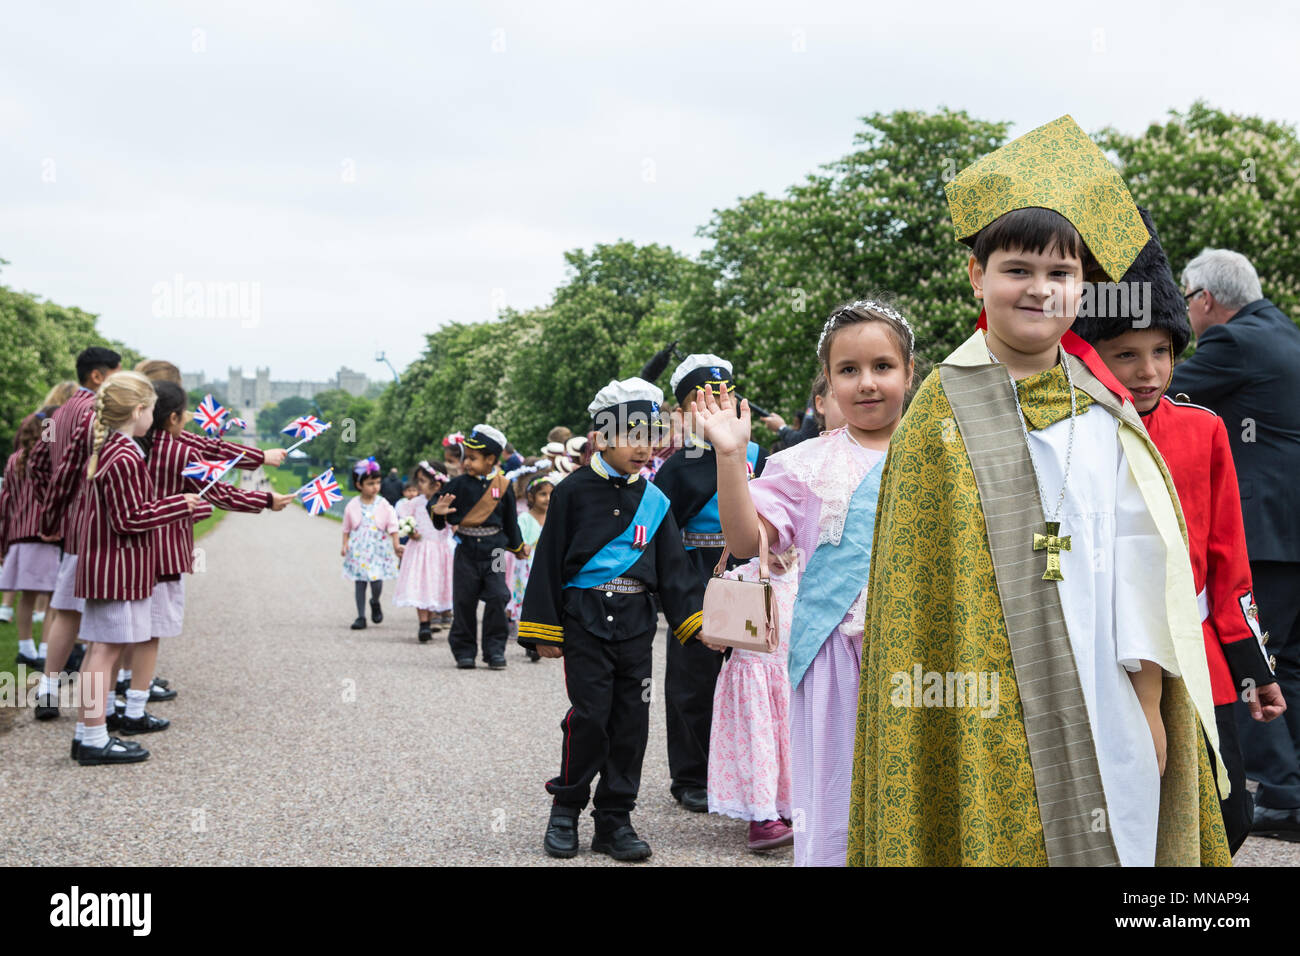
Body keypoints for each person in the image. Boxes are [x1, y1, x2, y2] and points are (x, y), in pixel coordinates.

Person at [846, 115, 1229, 866]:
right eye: (1018, 269)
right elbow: (920, 595)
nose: (1040, 289)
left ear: (1084, 288)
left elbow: (1143, 559)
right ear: (977, 278)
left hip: (1104, 694)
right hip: (976, 704)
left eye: (1061, 274)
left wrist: (1149, 703)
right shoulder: (939, 413)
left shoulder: (1109, 410)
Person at [1072, 211, 1282, 854]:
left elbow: (1228, 560)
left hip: (1198, 655)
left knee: (1224, 817)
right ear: (1090, 354)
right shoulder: (1074, 433)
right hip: (1102, 649)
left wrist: (1255, 668)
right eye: (1126, 354)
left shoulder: (1204, 429)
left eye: (1161, 351)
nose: (1148, 372)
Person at [697, 299, 914, 865]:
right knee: (835, 803)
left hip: (922, 658)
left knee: (917, 800)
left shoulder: (941, 454)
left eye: (882, 366)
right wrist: (730, 457)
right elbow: (747, 544)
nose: (866, 383)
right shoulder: (804, 463)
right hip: (835, 664)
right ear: (829, 383)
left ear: (909, 372)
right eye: (848, 370)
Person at [517, 378, 706, 861]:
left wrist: (697, 625)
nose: (646, 447)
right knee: (591, 718)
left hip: (636, 625)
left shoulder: (656, 500)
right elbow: (549, 560)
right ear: (603, 435)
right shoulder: (571, 493)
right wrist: (543, 629)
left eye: (653, 435)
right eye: (634, 435)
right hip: (584, 622)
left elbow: (674, 572)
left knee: (631, 723)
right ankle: (565, 810)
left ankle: (615, 820)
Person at [1170, 249, 1300, 842]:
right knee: (1289, 664)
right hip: (1292, 530)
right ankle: (1290, 788)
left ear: (1203, 300)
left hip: (1268, 533)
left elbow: (1157, 397)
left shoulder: (1233, 343)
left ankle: (1281, 793)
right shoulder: (1286, 333)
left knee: (1251, 660)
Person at [124, 381, 292, 733]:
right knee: (150, 632)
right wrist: (265, 500)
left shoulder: (132, 444)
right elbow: (221, 493)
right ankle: (135, 710)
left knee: (119, 633)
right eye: (184, 412)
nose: (188, 418)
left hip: (126, 551)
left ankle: (112, 702)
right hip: (164, 550)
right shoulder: (179, 451)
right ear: (172, 417)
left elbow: (213, 449)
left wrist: (259, 457)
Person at [652, 354, 768, 813]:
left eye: (725, 396)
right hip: (698, 573)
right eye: (705, 400)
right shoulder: (675, 468)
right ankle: (691, 775)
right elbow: (663, 535)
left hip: (750, 570)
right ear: (683, 413)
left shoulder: (758, 456)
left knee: (754, 677)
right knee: (693, 679)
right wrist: (676, 595)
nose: (719, 406)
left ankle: (751, 772)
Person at [71, 371, 201, 764]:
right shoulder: (126, 453)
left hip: (106, 564)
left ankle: (87, 732)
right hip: (117, 567)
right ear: (139, 411)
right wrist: (182, 504)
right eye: (150, 410)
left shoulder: (113, 448)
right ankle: (93, 737)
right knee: (105, 652)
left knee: (101, 650)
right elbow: (130, 519)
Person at [33, 347, 122, 718]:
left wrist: (51, 506)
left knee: (65, 608)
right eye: (117, 374)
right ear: (98, 377)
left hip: (66, 518)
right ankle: (107, 702)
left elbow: (39, 460)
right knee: (107, 613)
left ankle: (48, 689)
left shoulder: (61, 410)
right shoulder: (95, 412)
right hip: (90, 518)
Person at [702, 548, 798, 852]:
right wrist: (717, 628)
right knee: (759, 746)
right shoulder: (743, 577)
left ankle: (785, 807)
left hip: (789, 678)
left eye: (790, 548)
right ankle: (762, 819)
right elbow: (715, 635)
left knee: (789, 746)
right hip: (752, 678)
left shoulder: (805, 578)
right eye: (772, 549)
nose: (782, 556)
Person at [430, 425, 524, 670]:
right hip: (467, 549)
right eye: (466, 457)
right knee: (464, 601)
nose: (467, 463)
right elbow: (436, 504)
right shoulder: (458, 484)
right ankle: (465, 651)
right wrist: (438, 512)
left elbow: (510, 521)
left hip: (495, 551)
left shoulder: (503, 486)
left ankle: (494, 651)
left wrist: (518, 546)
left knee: (498, 597)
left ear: (491, 459)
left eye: (473, 458)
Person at [1, 413, 61, 670]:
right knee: (52, 598)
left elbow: (6, 502)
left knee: (27, 596)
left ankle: (26, 648)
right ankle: (47, 649)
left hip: (18, 533)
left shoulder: (15, 460)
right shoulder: (48, 459)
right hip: (44, 534)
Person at [394, 461, 453, 643]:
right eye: (418, 480)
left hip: (440, 549)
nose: (418, 485)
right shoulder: (416, 503)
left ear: (437, 484)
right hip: (419, 549)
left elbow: (453, 524)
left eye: (422, 481)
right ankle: (424, 624)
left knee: (436, 584)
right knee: (420, 584)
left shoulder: (445, 503)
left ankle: (438, 613)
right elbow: (404, 519)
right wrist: (410, 530)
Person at [342, 457, 402, 630]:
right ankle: (360, 616)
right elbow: (346, 527)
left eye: (377, 482)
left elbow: (393, 526)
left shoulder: (383, 504)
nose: (375, 487)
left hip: (377, 548)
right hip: (359, 549)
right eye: (370, 483)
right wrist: (344, 544)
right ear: (359, 485)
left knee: (376, 581)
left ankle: (375, 601)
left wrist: (396, 544)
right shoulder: (352, 505)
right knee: (360, 582)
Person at [506, 473, 555, 662]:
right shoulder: (524, 519)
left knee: (545, 601)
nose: (548, 498)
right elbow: (517, 540)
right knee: (528, 601)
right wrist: (523, 544)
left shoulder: (554, 517)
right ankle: (529, 639)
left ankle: (541, 637)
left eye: (551, 494)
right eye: (543, 494)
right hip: (527, 567)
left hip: (547, 567)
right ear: (531, 497)